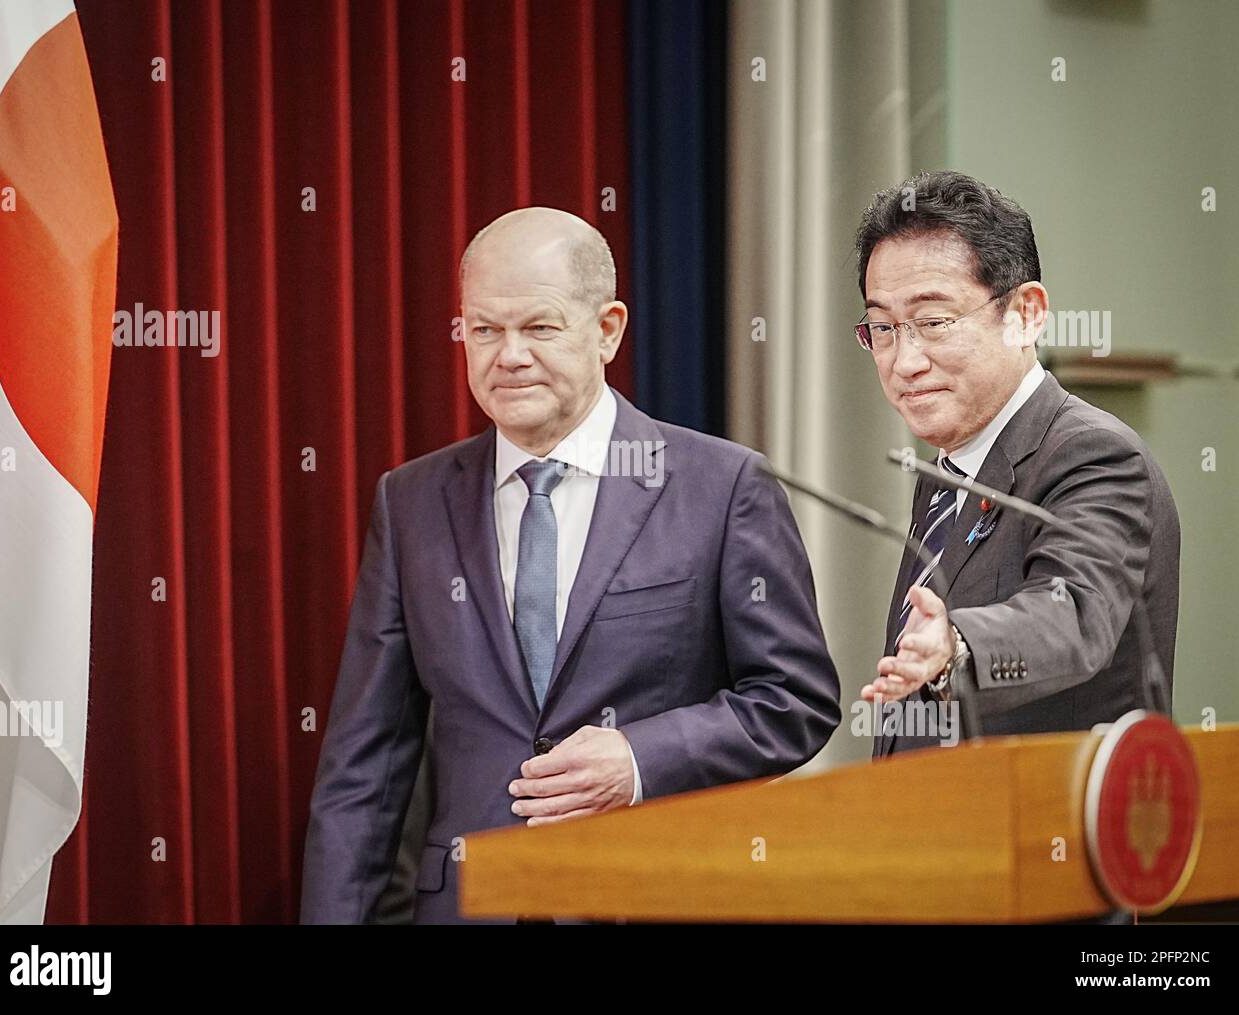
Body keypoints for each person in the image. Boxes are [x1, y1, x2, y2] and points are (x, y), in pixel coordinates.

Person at [300, 207, 841, 923]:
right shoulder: (411, 502)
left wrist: (639, 759)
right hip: (470, 904)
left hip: (653, 898)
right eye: (484, 330)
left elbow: (794, 700)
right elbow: (364, 764)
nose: (509, 355)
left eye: (539, 327)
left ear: (607, 330)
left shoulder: (721, 485)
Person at [853, 171, 1180, 755]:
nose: (904, 362)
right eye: (883, 328)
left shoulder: (1094, 454)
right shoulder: (947, 475)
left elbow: (1074, 612)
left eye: (933, 323)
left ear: (1025, 314)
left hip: (1053, 809)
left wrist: (958, 643)